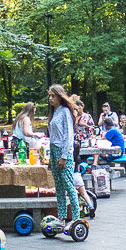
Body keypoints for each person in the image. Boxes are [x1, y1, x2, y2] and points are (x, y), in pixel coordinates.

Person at [45, 84, 81, 229]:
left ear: (60, 96)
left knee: (68, 184)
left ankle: (76, 217)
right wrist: (50, 158)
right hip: (54, 150)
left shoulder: (65, 111)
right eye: (49, 96)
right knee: (58, 186)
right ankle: (61, 217)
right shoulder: (55, 112)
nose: (50, 99)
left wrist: (65, 156)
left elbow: (68, 135)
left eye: (53, 96)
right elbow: (52, 136)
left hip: (62, 150)